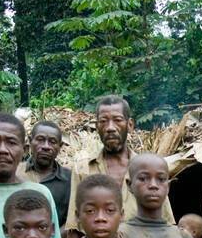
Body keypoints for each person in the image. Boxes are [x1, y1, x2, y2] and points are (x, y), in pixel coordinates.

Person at [69, 95, 175, 228]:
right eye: (103, 121)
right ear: (97, 126)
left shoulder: (149, 169)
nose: (110, 128)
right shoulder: (83, 169)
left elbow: (167, 223)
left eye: (117, 120)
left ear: (130, 125)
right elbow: (73, 226)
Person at [18, 119, 76, 238]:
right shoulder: (16, 173)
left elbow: (73, 221)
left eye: (52, 142)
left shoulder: (70, 179)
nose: (45, 146)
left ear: (60, 147)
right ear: (30, 141)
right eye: (40, 140)